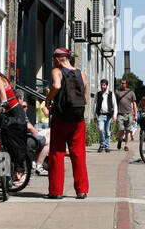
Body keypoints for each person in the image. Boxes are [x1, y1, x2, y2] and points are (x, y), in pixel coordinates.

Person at [44, 46, 89, 199]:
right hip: (78, 120)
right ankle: (82, 190)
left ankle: (56, 191)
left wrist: (48, 99)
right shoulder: (81, 74)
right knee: (79, 154)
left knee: (57, 153)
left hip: (61, 118)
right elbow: (86, 98)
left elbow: (56, 85)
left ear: (57, 59)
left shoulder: (57, 71)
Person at [94, 78, 117, 152]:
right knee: (100, 129)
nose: (102, 87)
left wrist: (115, 115)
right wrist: (94, 116)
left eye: (104, 85)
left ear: (106, 86)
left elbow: (114, 105)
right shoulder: (98, 94)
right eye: (101, 85)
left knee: (107, 131)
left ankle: (107, 146)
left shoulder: (111, 94)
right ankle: (101, 144)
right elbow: (95, 105)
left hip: (108, 115)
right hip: (100, 114)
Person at [115, 78, 136, 151]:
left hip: (129, 113)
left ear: (126, 84)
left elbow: (134, 103)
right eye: (121, 83)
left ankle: (126, 145)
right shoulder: (117, 92)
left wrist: (135, 114)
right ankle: (120, 140)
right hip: (120, 113)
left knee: (128, 130)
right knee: (120, 129)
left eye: (123, 83)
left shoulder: (131, 92)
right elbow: (114, 103)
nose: (122, 84)